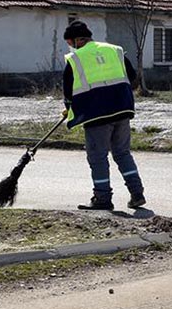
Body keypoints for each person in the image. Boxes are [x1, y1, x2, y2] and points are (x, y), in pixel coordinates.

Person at [62, 20, 146, 210]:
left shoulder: (75, 59)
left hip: (96, 115)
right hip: (122, 110)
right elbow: (132, 77)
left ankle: (102, 198)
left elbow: (68, 91)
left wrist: (70, 107)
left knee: (98, 156)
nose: (70, 47)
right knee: (122, 153)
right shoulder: (115, 50)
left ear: (77, 41)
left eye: (69, 43)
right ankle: (137, 193)